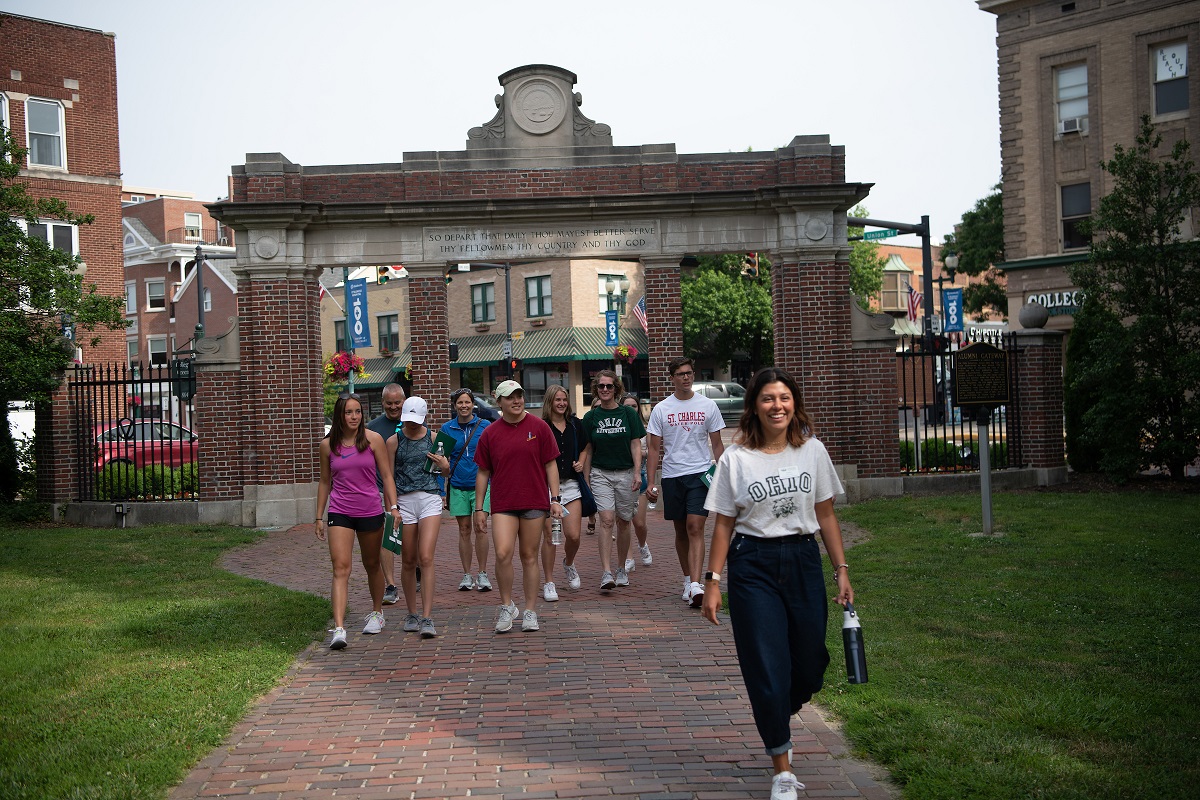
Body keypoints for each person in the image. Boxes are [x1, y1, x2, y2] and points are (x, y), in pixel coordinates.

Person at [701, 367, 854, 800]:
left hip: (804, 560)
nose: (777, 406)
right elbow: (724, 524)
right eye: (768, 398)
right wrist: (712, 581)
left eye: (784, 397)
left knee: (809, 664)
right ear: (755, 406)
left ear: (794, 403)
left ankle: (774, 710)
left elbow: (825, 514)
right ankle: (782, 768)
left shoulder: (813, 451)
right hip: (753, 565)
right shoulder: (736, 458)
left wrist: (841, 569)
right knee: (766, 664)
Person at [473, 380, 563, 634]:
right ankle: (506, 605)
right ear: (499, 401)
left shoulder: (539, 427)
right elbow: (483, 472)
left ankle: (530, 611)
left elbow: (550, 465)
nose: (516, 401)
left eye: (519, 396)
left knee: (528, 556)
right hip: (503, 503)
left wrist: (555, 499)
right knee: (502, 553)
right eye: (510, 397)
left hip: (534, 501)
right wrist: (480, 508)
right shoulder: (491, 433)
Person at [315, 392, 399, 650]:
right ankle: (339, 628)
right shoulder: (328, 445)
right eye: (349, 412)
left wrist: (394, 508)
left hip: (370, 511)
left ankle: (376, 613)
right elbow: (325, 481)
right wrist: (319, 515)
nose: (354, 417)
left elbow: (386, 476)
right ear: (340, 416)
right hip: (340, 511)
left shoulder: (373, 440)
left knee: (372, 564)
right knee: (341, 568)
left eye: (358, 412)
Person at [646, 357, 726, 608]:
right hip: (672, 475)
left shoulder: (708, 405)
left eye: (689, 373)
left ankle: (695, 584)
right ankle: (687, 580)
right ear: (672, 378)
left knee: (695, 526)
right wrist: (651, 482)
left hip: (700, 474)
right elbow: (653, 449)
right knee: (681, 530)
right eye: (681, 374)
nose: (686, 377)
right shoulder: (661, 409)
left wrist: (725, 475)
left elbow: (717, 444)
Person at [386, 396, 447, 639]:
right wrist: (392, 506)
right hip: (404, 500)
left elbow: (446, 471)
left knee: (426, 557)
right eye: (408, 420)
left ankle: (427, 616)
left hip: (430, 497)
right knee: (408, 560)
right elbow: (388, 476)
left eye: (416, 420)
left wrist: (444, 464)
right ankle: (411, 613)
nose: (411, 424)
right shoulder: (394, 440)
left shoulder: (434, 438)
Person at [580, 370, 644, 591]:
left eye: (609, 386)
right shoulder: (591, 418)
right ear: (596, 389)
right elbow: (588, 448)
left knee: (624, 521)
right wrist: (586, 478)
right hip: (601, 473)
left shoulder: (628, 413)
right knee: (606, 519)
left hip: (626, 473)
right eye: (601, 387)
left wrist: (637, 472)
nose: (605, 390)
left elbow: (636, 443)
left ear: (616, 389)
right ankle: (606, 572)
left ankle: (621, 568)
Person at [442, 387, 493, 593]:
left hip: (481, 485)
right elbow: (441, 459)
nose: (464, 406)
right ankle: (466, 575)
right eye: (460, 403)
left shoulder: (485, 426)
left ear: (473, 404)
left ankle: (482, 574)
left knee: (481, 527)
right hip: (458, 485)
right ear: (454, 406)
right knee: (464, 530)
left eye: (467, 402)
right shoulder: (447, 428)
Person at [540, 384, 587, 598]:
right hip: (547, 487)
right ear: (550, 402)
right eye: (557, 400)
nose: (561, 404)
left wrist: (581, 462)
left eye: (564, 400)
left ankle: (568, 563)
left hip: (571, 484)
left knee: (574, 536)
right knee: (550, 536)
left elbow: (586, 446)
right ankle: (549, 581)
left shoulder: (575, 425)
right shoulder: (541, 427)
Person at [366, 383, 406, 605]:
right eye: (389, 403)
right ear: (383, 403)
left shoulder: (413, 422)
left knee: (411, 538)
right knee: (386, 538)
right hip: (382, 491)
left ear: (404, 400)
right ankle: (390, 584)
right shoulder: (373, 429)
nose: (393, 407)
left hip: (409, 490)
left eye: (397, 403)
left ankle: (414, 568)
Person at [620, 393, 653, 575]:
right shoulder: (617, 427)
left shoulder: (644, 429)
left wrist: (637, 452)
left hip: (638, 475)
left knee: (639, 522)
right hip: (620, 475)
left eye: (634, 406)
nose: (631, 409)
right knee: (624, 521)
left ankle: (642, 544)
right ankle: (629, 558)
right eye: (627, 406)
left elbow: (651, 452)